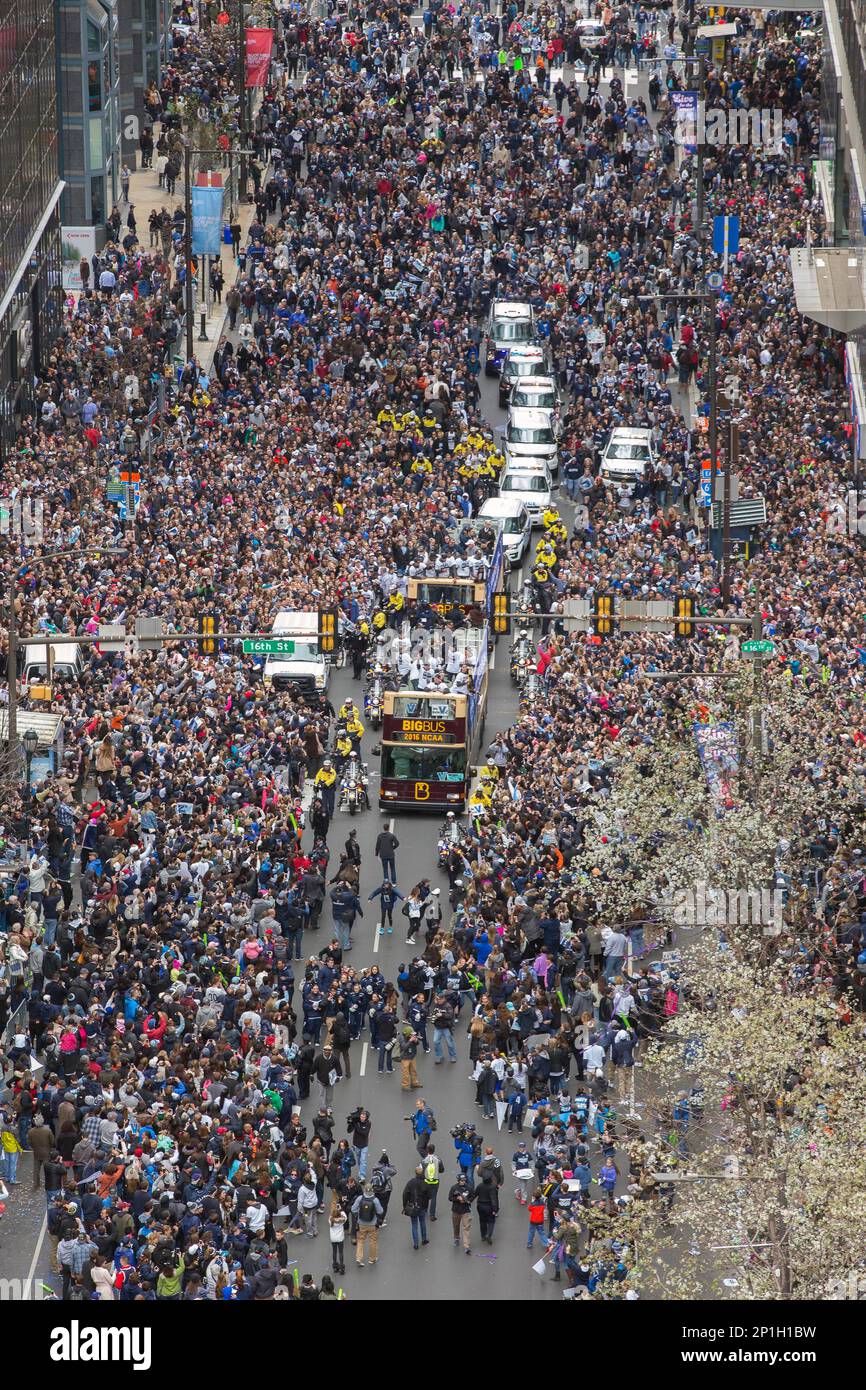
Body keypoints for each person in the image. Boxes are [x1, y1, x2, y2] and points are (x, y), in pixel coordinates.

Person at [351, 1185, 383, 1266]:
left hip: (361, 1224)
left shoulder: (360, 1198)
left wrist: (359, 1212)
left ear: (364, 1190)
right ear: (372, 1191)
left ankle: (359, 1258)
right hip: (372, 1224)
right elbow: (380, 1211)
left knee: (361, 1241)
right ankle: (372, 1259)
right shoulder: (375, 1200)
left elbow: (353, 1209)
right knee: (372, 1241)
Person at [401, 1164, 431, 1250]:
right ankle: (424, 1239)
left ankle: (416, 1243)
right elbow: (429, 1195)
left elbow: (405, 1194)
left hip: (413, 1206)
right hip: (422, 1206)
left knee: (414, 1224)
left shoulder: (411, 1183)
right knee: (422, 1222)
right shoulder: (425, 1182)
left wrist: (405, 1205)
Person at [447, 1174, 475, 1255]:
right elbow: (449, 1198)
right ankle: (456, 1238)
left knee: (466, 1228)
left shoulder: (469, 1188)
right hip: (456, 1210)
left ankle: (466, 1246)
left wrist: (468, 1201)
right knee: (456, 1226)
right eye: (461, 1181)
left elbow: (473, 1196)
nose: (463, 1182)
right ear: (458, 1180)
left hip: (466, 1211)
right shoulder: (454, 1188)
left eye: (464, 1180)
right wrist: (457, 1199)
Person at [475, 1174, 500, 1245]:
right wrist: (495, 1210)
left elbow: (475, 1194)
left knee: (482, 1221)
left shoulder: (480, 1186)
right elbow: (494, 1199)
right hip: (489, 1207)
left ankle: (483, 1236)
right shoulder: (492, 1188)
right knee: (491, 1221)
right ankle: (489, 1234)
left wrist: (468, 1201)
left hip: (480, 1206)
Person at [422, 1146, 445, 1220]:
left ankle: (425, 1210)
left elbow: (421, 1171)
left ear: (427, 1150)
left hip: (426, 1181)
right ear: (434, 1150)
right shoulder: (438, 1160)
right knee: (434, 1197)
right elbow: (442, 1170)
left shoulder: (424, 1160)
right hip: (435, 1181)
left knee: (425, 1196)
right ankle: (432, 1215)